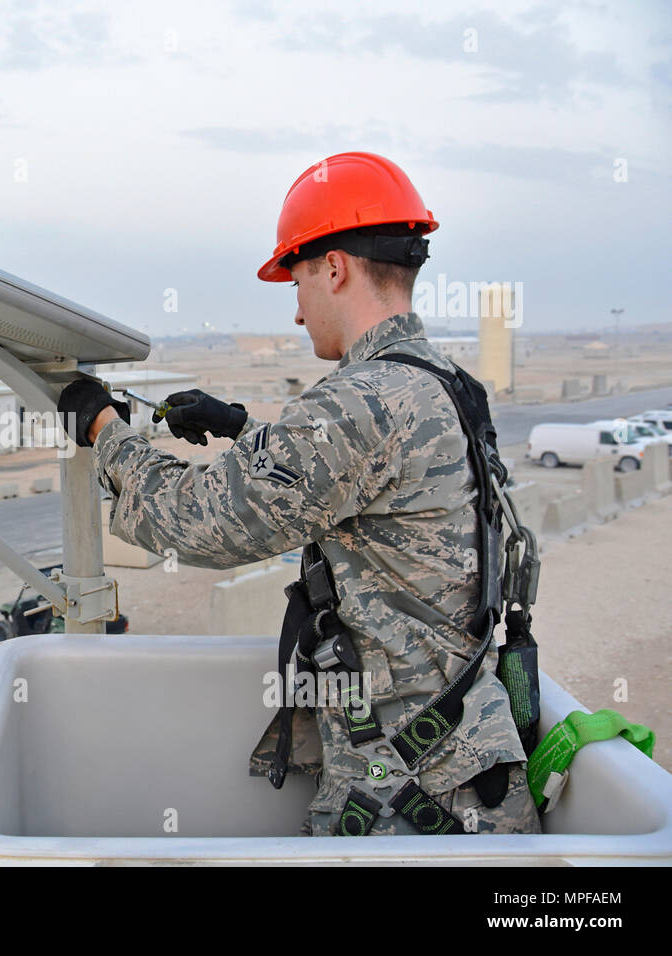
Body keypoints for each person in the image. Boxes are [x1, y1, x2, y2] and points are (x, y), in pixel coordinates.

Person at [58, 152, 540, 836]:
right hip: (462, 773)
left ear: (335, 268)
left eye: (298, 279)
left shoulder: (361, 402)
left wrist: (104, 430)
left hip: (412, 798)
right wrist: (239, 429)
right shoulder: (443, 383)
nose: (295, 311)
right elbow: (367, 491)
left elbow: (204, 522)